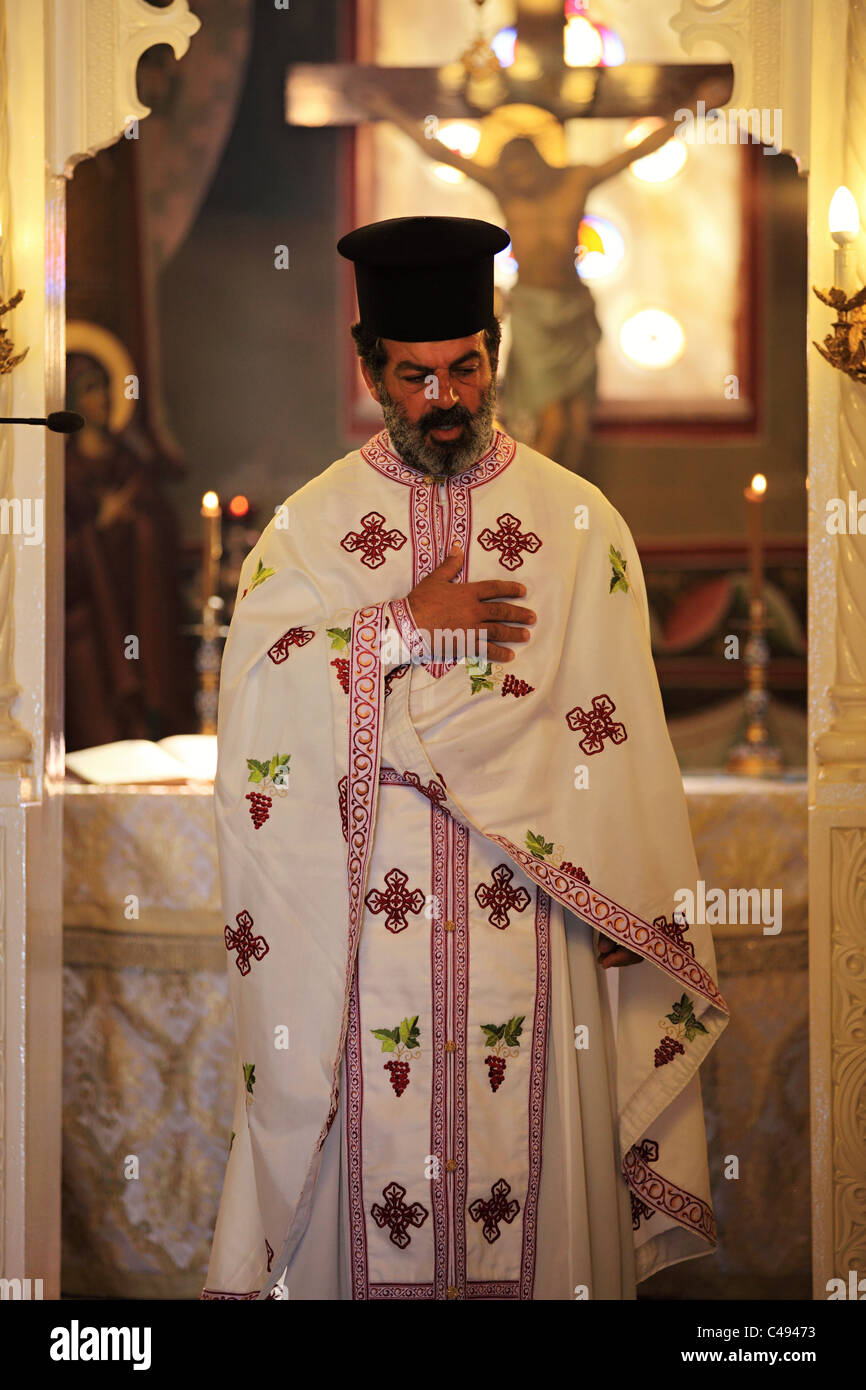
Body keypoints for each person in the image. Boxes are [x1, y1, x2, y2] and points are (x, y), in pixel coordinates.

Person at [203, 216, 728, 1301]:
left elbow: (618, 739)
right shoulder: (309, 531)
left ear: (492, 354)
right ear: (370, 370)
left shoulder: (579, 525)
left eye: (462, 368)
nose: (441, 398)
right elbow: (257, 708)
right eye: (413, 376)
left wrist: (627, 894)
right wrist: (397, 622)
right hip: (362, 915)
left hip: (533, 915)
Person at [360, 79, 727, 470]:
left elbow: (639, 150)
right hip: (535, 311)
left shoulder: (576, 181)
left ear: (539, 160)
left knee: (578, 420)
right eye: (510, 174)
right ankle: (543, 509)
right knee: (549, 420)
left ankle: (573, 502)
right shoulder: (506, 188)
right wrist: (386, 108)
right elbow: (439, 152)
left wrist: (698, 104)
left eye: (522, 171)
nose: (518, 181)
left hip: (573, 309)